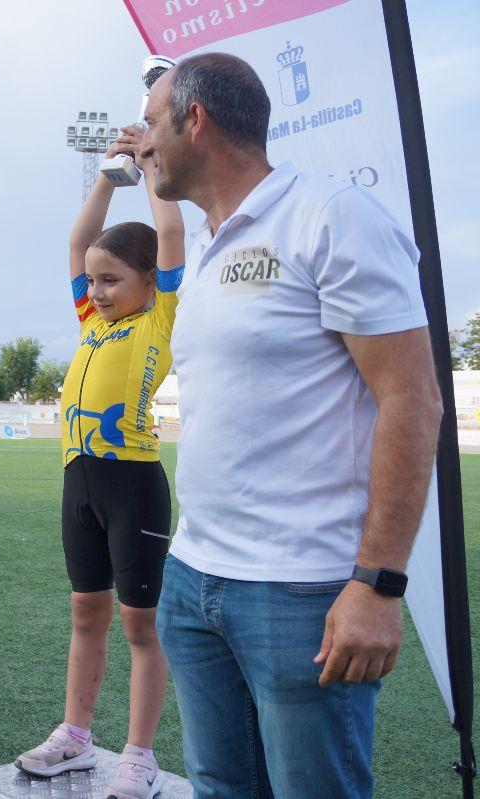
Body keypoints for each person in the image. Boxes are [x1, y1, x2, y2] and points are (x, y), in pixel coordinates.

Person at [136, 54, 440, 797]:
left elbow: (413, 399)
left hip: (302, 592)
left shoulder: (330, 215)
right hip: (194, 580)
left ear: (195, 120)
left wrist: (378, 583)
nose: (142, 142)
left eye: (151, 123)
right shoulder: (209, 243)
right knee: (221, 788)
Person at [15, 125, 184, 799]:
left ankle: (138, 755)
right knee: (86, 611)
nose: (100, 289)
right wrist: (106, 176)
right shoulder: (93, 321)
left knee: (140, 623)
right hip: (77, 481)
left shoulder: (158, 319)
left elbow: (170, 234)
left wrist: (148, 164)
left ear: (150, 281)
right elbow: (77, 242)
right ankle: (76, 737)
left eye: (112, 279)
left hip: (133, 485)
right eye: (93, 280)